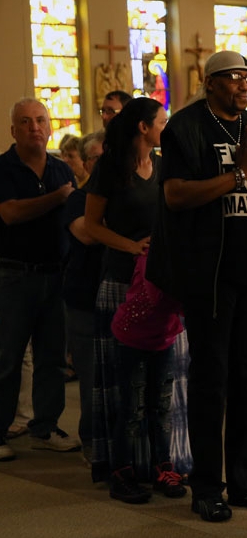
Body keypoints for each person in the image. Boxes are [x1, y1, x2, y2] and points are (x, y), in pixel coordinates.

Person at [146, 50, 247, 521]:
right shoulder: (184, 128)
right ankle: (207, 485)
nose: (244, 85)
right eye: (233, 78)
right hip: (207, 273)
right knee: (211, 380)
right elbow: (175, 195)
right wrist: (238, 174)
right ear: (209, 83)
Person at [84, 97, 187, 503]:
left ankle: (160, 465)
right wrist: (132, 246)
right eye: (162, 121)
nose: (168, 127)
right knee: (128, 387)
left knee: (161, 386)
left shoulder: (163, 167)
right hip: (123, 283)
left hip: (161, 286)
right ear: (143, 128)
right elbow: (93, 225)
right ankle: (123, 470)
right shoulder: (110, 167)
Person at [0, 98, 79, 462]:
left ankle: (45, 427)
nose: (35, 127)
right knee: (7, 358)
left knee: (52, 360)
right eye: (26, 122)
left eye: (40, 120)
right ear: (13, 130)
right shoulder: (5, 169)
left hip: (56, 276)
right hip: (15, 276)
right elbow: (11, 213)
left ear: (50, 128)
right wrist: (57, 198)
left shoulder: (62, 170)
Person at [62, 130, 106, 464]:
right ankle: (92, 442)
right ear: (88, 163)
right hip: (84, 297)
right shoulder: (78, 198)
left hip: (120, 297)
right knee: (92, 377)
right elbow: (88, 234)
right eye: (97, 159)